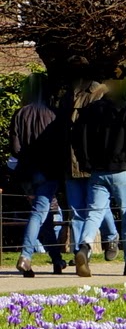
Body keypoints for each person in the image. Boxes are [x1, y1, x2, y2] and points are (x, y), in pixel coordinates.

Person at [71, 77, 126, 277]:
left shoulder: (89, 111)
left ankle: (85, 247)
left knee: (94, 213)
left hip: (97, 171)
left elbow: (77, 138)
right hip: (122, 169)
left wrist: (86, 162)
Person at [7, 74, 67, 277]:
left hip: (26, 172)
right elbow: (61, 147)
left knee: (44, 215)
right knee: (40, 213)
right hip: (48, 171)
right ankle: (26, 256)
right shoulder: (54, 114)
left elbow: (15, 148)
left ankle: (57, 259)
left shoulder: (20, 113)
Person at [51, 61, 106, 277]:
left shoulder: (66, 97)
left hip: (71, 162)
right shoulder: (100, 93)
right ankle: (90, 248)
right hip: (91, 162)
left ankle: (80, 251)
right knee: (96, 208)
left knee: (78, 213)